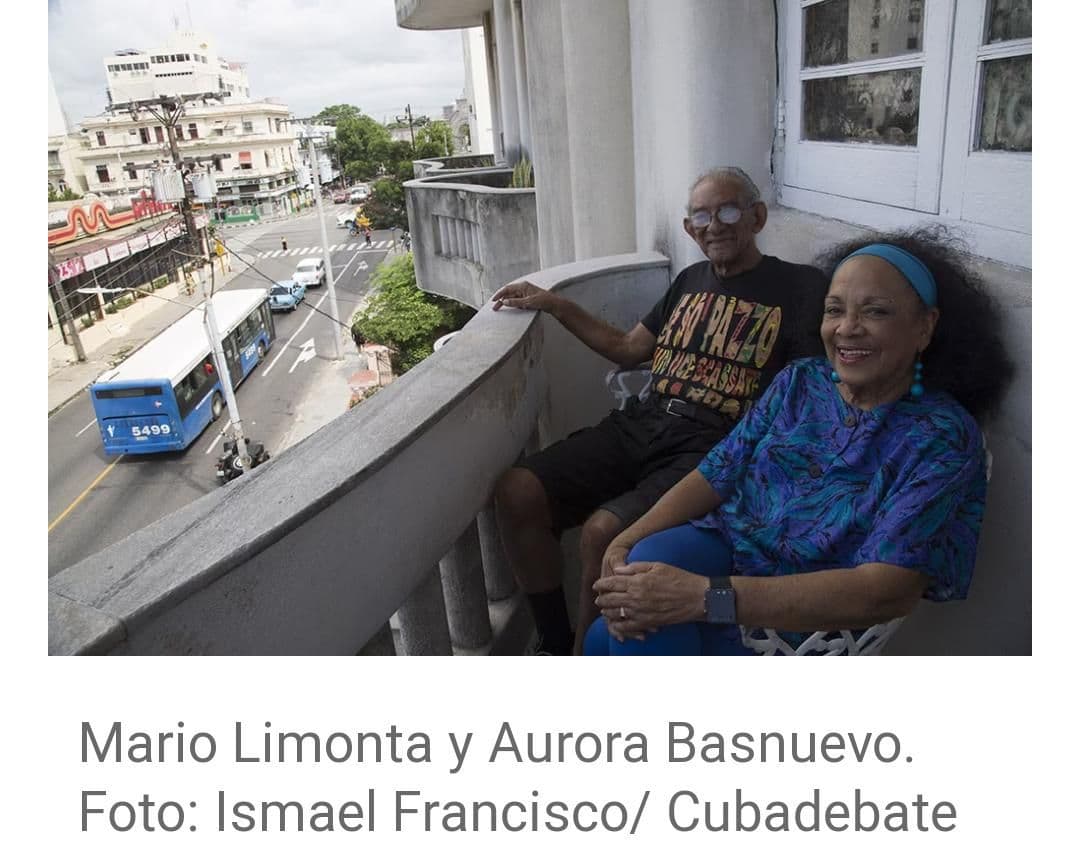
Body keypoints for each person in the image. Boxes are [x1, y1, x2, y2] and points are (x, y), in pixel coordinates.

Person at [585, 227, 1014, 656]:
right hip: (727, 551)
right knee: (630, 588)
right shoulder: (801, 381)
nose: (847, 329)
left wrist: (700, 597)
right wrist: (627, 538)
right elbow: (718, 471)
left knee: (611, 636)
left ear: (924, 327)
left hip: (792, 618)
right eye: (834, 310)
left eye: (876, 312)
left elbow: (885, 589)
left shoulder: (941, 438)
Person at [491, 167, 828, 654]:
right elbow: (629, 349)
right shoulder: (691, 279)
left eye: (729, 210)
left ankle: (586, 657)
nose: (715, 225)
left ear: (757, 216)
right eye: (702, 216)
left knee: (603, 533)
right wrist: (554, 305)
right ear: (690, 228)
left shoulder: (799, 287)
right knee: (517, 490)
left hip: (714, 444)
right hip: (644, 420)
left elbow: (806, 391)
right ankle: (554, 640)